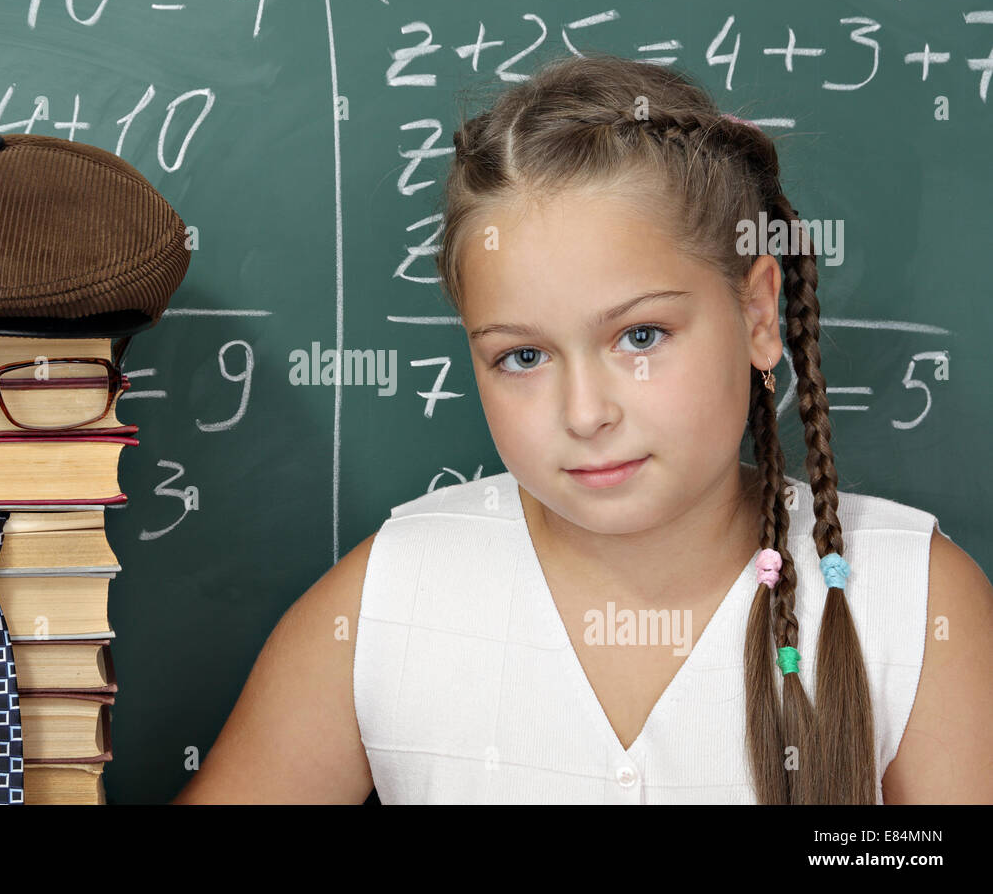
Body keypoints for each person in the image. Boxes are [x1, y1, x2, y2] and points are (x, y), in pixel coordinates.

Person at [172, 52, 992, 804]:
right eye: (523, 356)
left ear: (757, 311)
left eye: (641, 337)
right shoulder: (386, 602)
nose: (585, 413)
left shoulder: (916, 604)